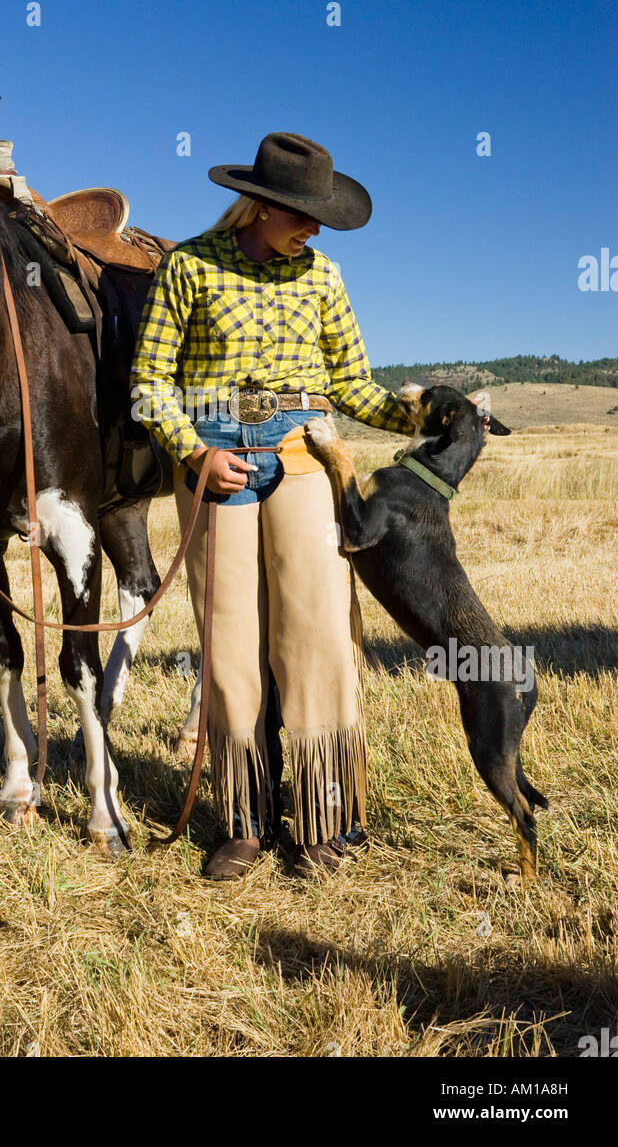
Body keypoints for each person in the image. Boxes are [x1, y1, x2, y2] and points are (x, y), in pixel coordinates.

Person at [130, 132, 415, 879]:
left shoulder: (324, 278)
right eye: (302, 213)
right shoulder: (189, 267)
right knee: (229, 643)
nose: (314, 228)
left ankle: (324, 819)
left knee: (316, 637)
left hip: (303, 464)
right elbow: (150, 383)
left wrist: (424, 418)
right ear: (259, 206)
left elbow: (354, 388)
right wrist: (194, 452)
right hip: (213, 466)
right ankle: (245, 822)